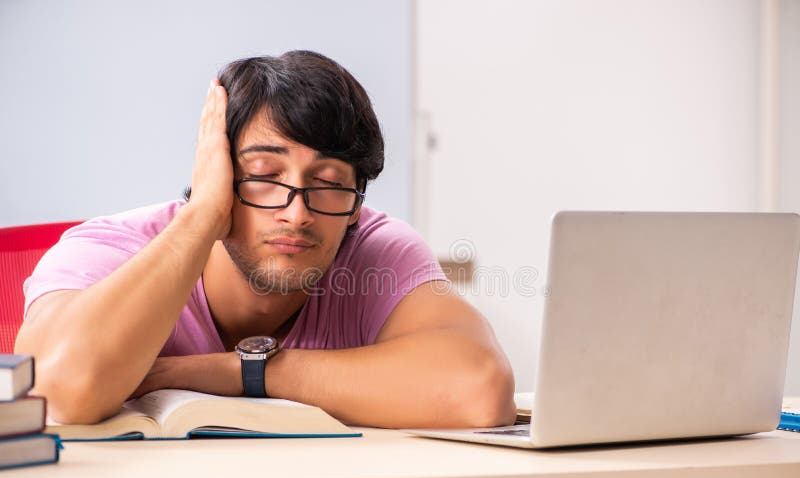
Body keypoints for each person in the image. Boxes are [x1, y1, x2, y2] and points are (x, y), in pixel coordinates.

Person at [15, 51, 515, 429]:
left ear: (357, 204)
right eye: (263, 175)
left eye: (328, 182)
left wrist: (244, 372)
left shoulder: (376, 249)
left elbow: (478, 389)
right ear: (218, 175)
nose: (297, 213)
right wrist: (203, 216)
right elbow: (59, 391)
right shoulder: (107, 248)